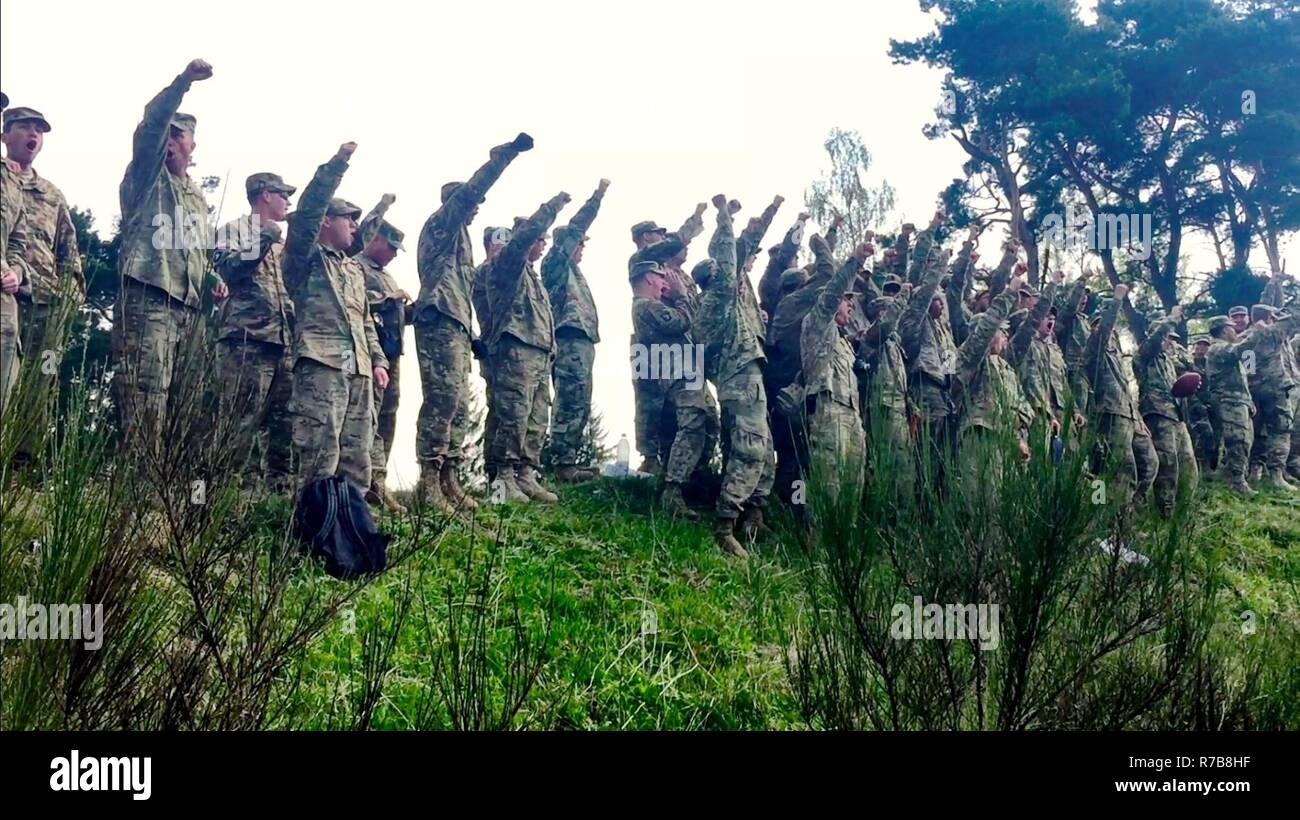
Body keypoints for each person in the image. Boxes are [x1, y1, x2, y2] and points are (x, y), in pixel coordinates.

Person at [412, 134, 533, 512]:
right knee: (443, 400)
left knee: (461, 405)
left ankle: (449, 477)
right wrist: (504, 157)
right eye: (472, 203)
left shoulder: (460, 240)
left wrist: (474, 334)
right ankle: (428, 481)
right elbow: (470, 192)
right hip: (439, 321)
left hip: (458, 326)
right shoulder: (441, 226)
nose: (477, 208)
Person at [113, 59, 215, 451]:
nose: (170, 140)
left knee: (187, 405)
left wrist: (213, 281)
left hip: (188, 309)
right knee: (146, 397)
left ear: (192, 145)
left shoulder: (196, 196)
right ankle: (140, 495)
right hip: (149, 297)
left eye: (179, 135)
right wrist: (183, 82)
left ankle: (178, 496)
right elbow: (151, 124)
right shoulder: (145, 175)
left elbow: (197, 252)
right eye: (167, 134)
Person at [281, 142, 389, 492]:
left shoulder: (353, 269)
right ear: (326, 222)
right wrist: (337, 165)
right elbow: (309, 209)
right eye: (348, 219)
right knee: (319, 459)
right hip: (322, 365)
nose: (355, 228)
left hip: (359, 372)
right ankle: (308, 537)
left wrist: (378, 361)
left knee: (357, 462)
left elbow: (365, 320)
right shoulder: (306, 259)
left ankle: (347, 535)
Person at [692, 195, 774, 558]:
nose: (739, 277)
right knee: (750, 449)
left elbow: (740, 256)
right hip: (738, 379)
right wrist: (724, 217)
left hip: (748, 376)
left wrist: (767, 213)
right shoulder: (714, 303)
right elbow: (730, 258)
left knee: (762, 449)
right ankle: (725, 524)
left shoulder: (734, 303)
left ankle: (753, 515)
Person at [3, 105, 83, 464]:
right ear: (6, 134)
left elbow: (70, 253)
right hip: (7, 298)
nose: (33, 135)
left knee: (42, 381)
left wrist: (70, 299)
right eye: (25, 127)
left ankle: (23, 463)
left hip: (47, 308)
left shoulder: (51, 195)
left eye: (40, 130)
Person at [483, 192, 571, 504]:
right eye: (539, 238)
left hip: (539, 353)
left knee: (536, 417)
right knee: (513, 415)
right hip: (516, 350)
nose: (543, 243)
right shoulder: (507, 268)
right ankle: (503, 477)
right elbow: (523, 240)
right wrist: (553, 207)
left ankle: (525, 472)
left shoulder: (532, 277)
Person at [212, 171, 298, 492]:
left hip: (283, 345)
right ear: (265, 195)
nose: (288, 201)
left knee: (284, 426)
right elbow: (228, 269)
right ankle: (230, 497)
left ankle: (279, 495)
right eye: (283, 194)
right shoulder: (233, 231)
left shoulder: (282, 243)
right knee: (239, 422)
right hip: (245, 342)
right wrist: (265, 238)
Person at [630, 259, 717, 519]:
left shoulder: (652, 305)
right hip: (678, 373)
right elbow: (681, 322)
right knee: (693, 423)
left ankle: (688, 483)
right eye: (661, 278)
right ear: (649, 279)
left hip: (687, 369)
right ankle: (673, 491)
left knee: (708, 424)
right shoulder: (645, 306)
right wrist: (681, 296)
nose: (665, 283)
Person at [542, 179, 609, 482]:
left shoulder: (574, 272)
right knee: (569, 399)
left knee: (580, 400)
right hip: (567, 339)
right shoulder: (556, 263)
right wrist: (597, 197)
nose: (582, 248)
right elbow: (574, 229)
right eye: (580, 244)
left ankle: (568, 460)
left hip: (581, 341)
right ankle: (562, 463)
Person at [799, 238, 873, 498]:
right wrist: (855, 261)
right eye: (847, 300)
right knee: (828, 484)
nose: (851, 305)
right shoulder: (818, 322)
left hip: (851, 413)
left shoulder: (843, 341)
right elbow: (832, 293)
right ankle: (818, 538)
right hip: (828, 410)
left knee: (853, 486)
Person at [352, 201, 412, 513]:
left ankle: (381, 479)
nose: (391, 254)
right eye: (390, 247)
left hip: (390, 352)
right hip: (367, 352)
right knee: (371, 417)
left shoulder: (386, 274)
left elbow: (395, 312)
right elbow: (356, 303)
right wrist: (389, 298)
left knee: (388, 415)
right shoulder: (356, 265)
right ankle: (372, 481)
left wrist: (407, 308)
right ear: (375, 240)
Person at [1134, 306, 1199, 515]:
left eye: (1170, 337)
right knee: (1167, 463)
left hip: (1176, 415)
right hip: (1157, 413)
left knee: (1187, 461)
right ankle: (1165, 511)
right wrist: (1172, 318)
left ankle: (1185, 508)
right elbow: (1154, 340)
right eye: (1165, 336)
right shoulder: (1145, 356)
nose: (1168, 341)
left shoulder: (1168, 360)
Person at [1242, 302, 1299, 490]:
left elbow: (1247, 369)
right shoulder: (1272, 333)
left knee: (1258, 431)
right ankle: (1276, 474)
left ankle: (1255, 469)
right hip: (1275, 389)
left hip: (1253, 391)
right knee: (1281, 429)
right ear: (1269, 318)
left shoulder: (1245, 337)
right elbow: (1294, 318)